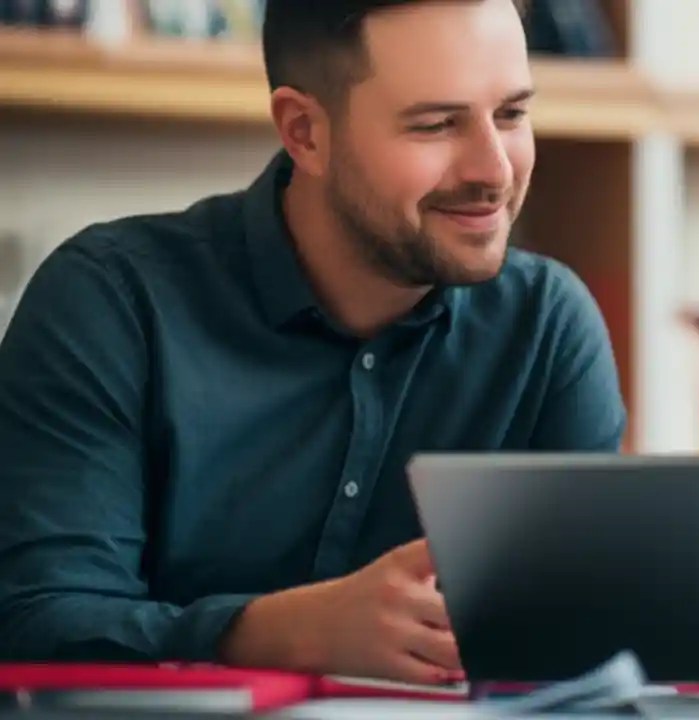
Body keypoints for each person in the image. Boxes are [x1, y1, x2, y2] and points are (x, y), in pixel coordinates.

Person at [0, 0, 627, 684]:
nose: (494, 171)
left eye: (510, 115)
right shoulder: (113, 303)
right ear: (305, 132)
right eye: (437, 124)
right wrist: (284, 632)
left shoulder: (547, 326)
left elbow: (587, 639)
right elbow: (36, 623)